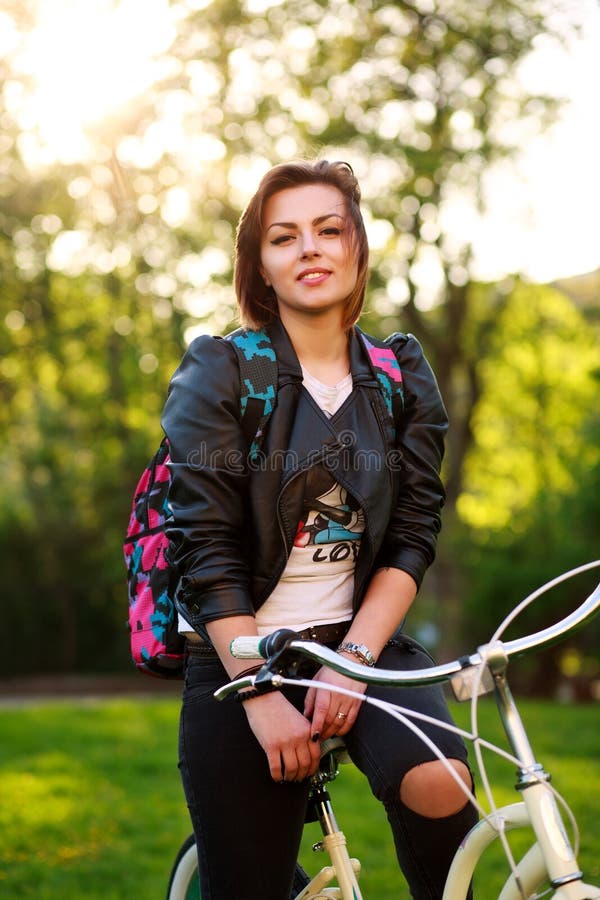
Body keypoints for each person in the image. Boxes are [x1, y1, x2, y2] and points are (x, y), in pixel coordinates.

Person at [162, 159, 477, 900]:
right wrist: (257, 695)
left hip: (364, 639)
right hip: (243, 654)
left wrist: (353, 661)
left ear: (357, 250)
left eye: (329, 230)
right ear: (261, 267)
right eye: (284, 237)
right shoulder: (222, 372)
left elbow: (412, 532)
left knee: (443, 783)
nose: (309, 248)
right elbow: (203, 553)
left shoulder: (400, 374)